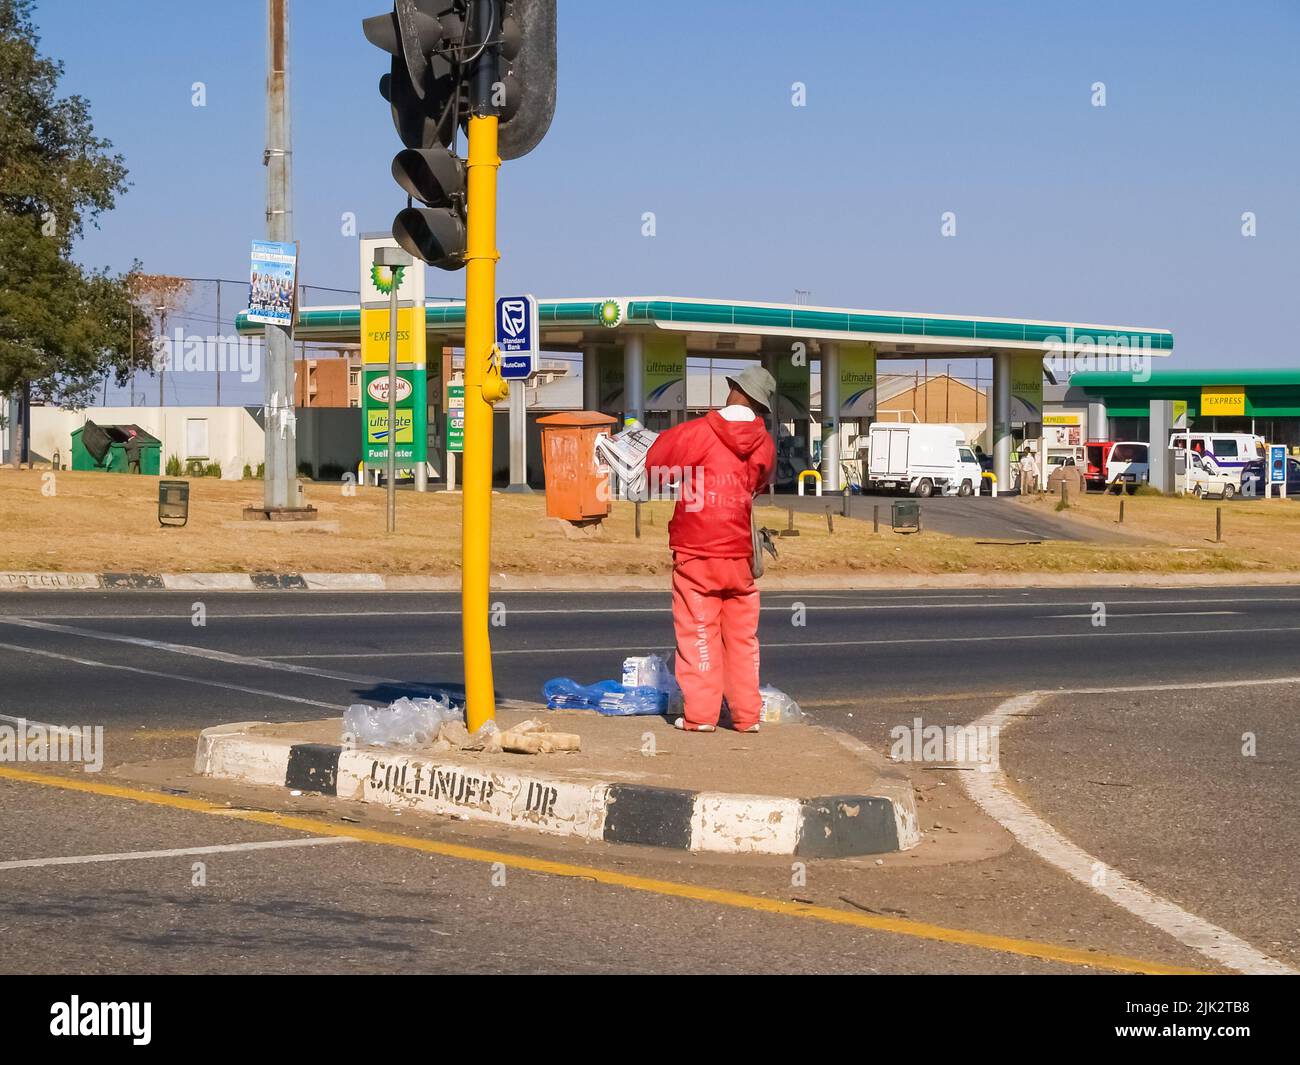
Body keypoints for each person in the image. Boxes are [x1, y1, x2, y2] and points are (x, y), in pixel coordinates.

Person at [644, 366, 777, 733]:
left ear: (733, 389)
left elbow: (655, 467)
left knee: (698, 630)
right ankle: (747, 716)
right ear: (760, 407)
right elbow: (760, 481)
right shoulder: (763, 442)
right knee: (741, 637)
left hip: (697, 550)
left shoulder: (697, 433)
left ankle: (702, 716)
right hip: (740, 554)